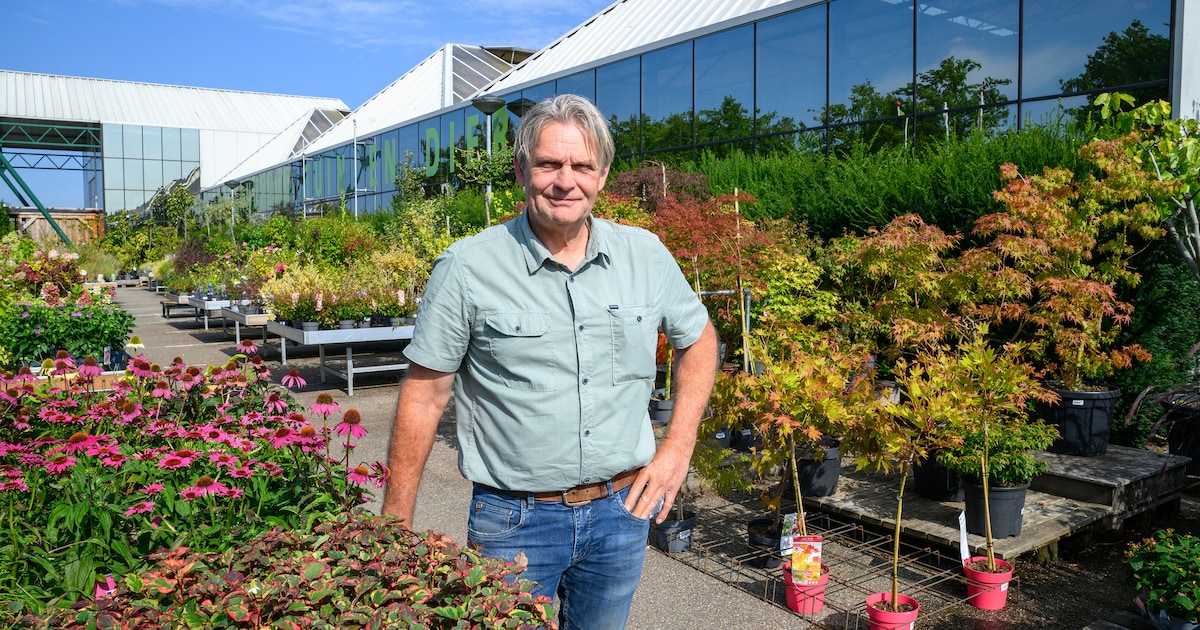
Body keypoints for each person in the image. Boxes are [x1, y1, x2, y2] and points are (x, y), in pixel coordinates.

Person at [382, 93, 717, 629]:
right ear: (521, 170)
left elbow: (698, 338)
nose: (566, 181)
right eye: (549, 164)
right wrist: (395, 525)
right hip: (512, 523)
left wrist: (678, 445)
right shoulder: (468, 268)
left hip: (621, 512)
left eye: (582, 165)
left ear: (602, 176)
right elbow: (425, 396)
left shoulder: (644, 254)